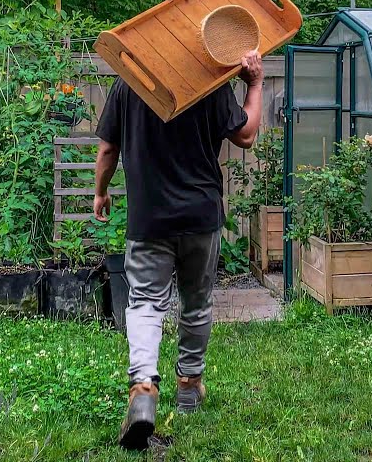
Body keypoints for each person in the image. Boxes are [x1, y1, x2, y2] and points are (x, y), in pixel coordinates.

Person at [93, 50, 264, 450]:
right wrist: (254, 84)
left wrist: (100, 193)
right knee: (197, 302)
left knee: (146, 303)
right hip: (200, 217)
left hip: (149, 219)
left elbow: (106, 150)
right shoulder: (209, 83)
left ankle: (142, 388)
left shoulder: (128, 82)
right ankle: (188, 387)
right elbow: (247, 135)